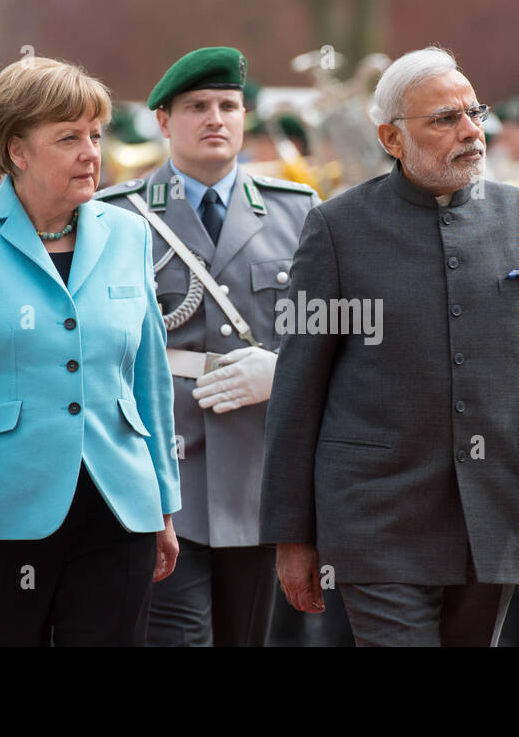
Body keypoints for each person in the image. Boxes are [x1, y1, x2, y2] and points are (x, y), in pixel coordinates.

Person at [260, 47, 519, 647]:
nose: (472, 132)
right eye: (445, 120)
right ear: (391, 139)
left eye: (474, 112)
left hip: (496, 511)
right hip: (377, 518)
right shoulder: (337, 228)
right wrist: (291, 533)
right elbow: (299, 387)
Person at [0, 56, 180, 646]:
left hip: (118, 510)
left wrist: (164, 500)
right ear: (17, 151)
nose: (91, 152)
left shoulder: (129, 233)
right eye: (69, 137)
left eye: (95, 135)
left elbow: (148, 374)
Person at [96, 46, 321, 647]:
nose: (216, 118)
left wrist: (284, 369)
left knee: (244, 635)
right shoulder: (118, 217)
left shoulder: (296, 211)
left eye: (229, 105)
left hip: (256, 466)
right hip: (159, 464)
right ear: (165, 122)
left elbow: (333, 332)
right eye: (197, 106)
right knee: (176, 634)